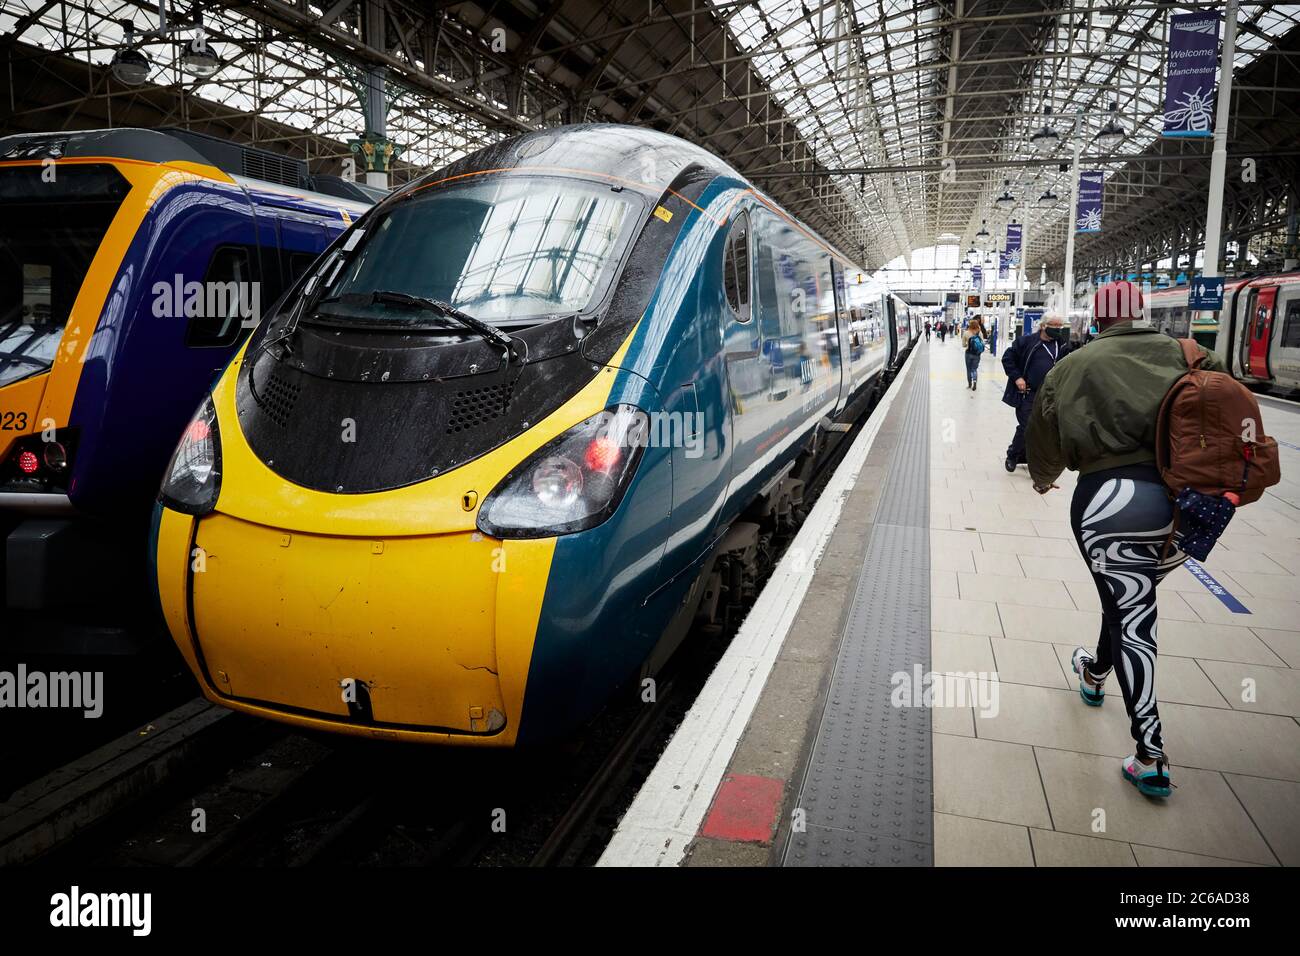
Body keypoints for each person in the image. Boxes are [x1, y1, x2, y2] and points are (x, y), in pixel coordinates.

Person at [1026, 280, 1226, 799]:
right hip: (1187, 507)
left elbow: (1042, 433)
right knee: (1126, 598)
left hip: (1108, 501)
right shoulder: (1190, 354)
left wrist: (1044, 476)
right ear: (1141, 315)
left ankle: (1151, 755)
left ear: (1096, 319)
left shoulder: (1074, 364)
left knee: (1131, 613)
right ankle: (1095, 674)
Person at [1001, 314, 1071, 472]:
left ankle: (1029, 457)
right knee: (1027, 426)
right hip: (1029, 393)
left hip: (1050, 395)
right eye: (1054, 326)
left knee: (1044, 430)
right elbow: (1008, 358)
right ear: (1043, 326)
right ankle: (1013, 455)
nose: (1057, 330)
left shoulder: (1062, 345)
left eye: (1060, 327)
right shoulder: (1026, 342)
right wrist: (1017, 378)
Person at [960, 317, 984, 390]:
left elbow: (963, 345)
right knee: (974, 369)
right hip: (977, 354)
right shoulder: (979, 333)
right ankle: (975, 382)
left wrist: (968, 345)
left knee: (969, 369)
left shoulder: (966, 333)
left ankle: (969, 384)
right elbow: (982, 342)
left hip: (968, 354)